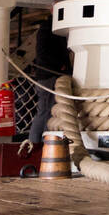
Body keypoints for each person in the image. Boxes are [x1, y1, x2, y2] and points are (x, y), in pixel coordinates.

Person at [28, 13, 70, 144]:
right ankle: (36, 144)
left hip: (50, 75)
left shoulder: (50, 28)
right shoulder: (47, 29)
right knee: (46, 111)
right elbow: (43, 53)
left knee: (47, 111)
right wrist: (61, 66)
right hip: (49, 76)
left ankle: (41, 143)